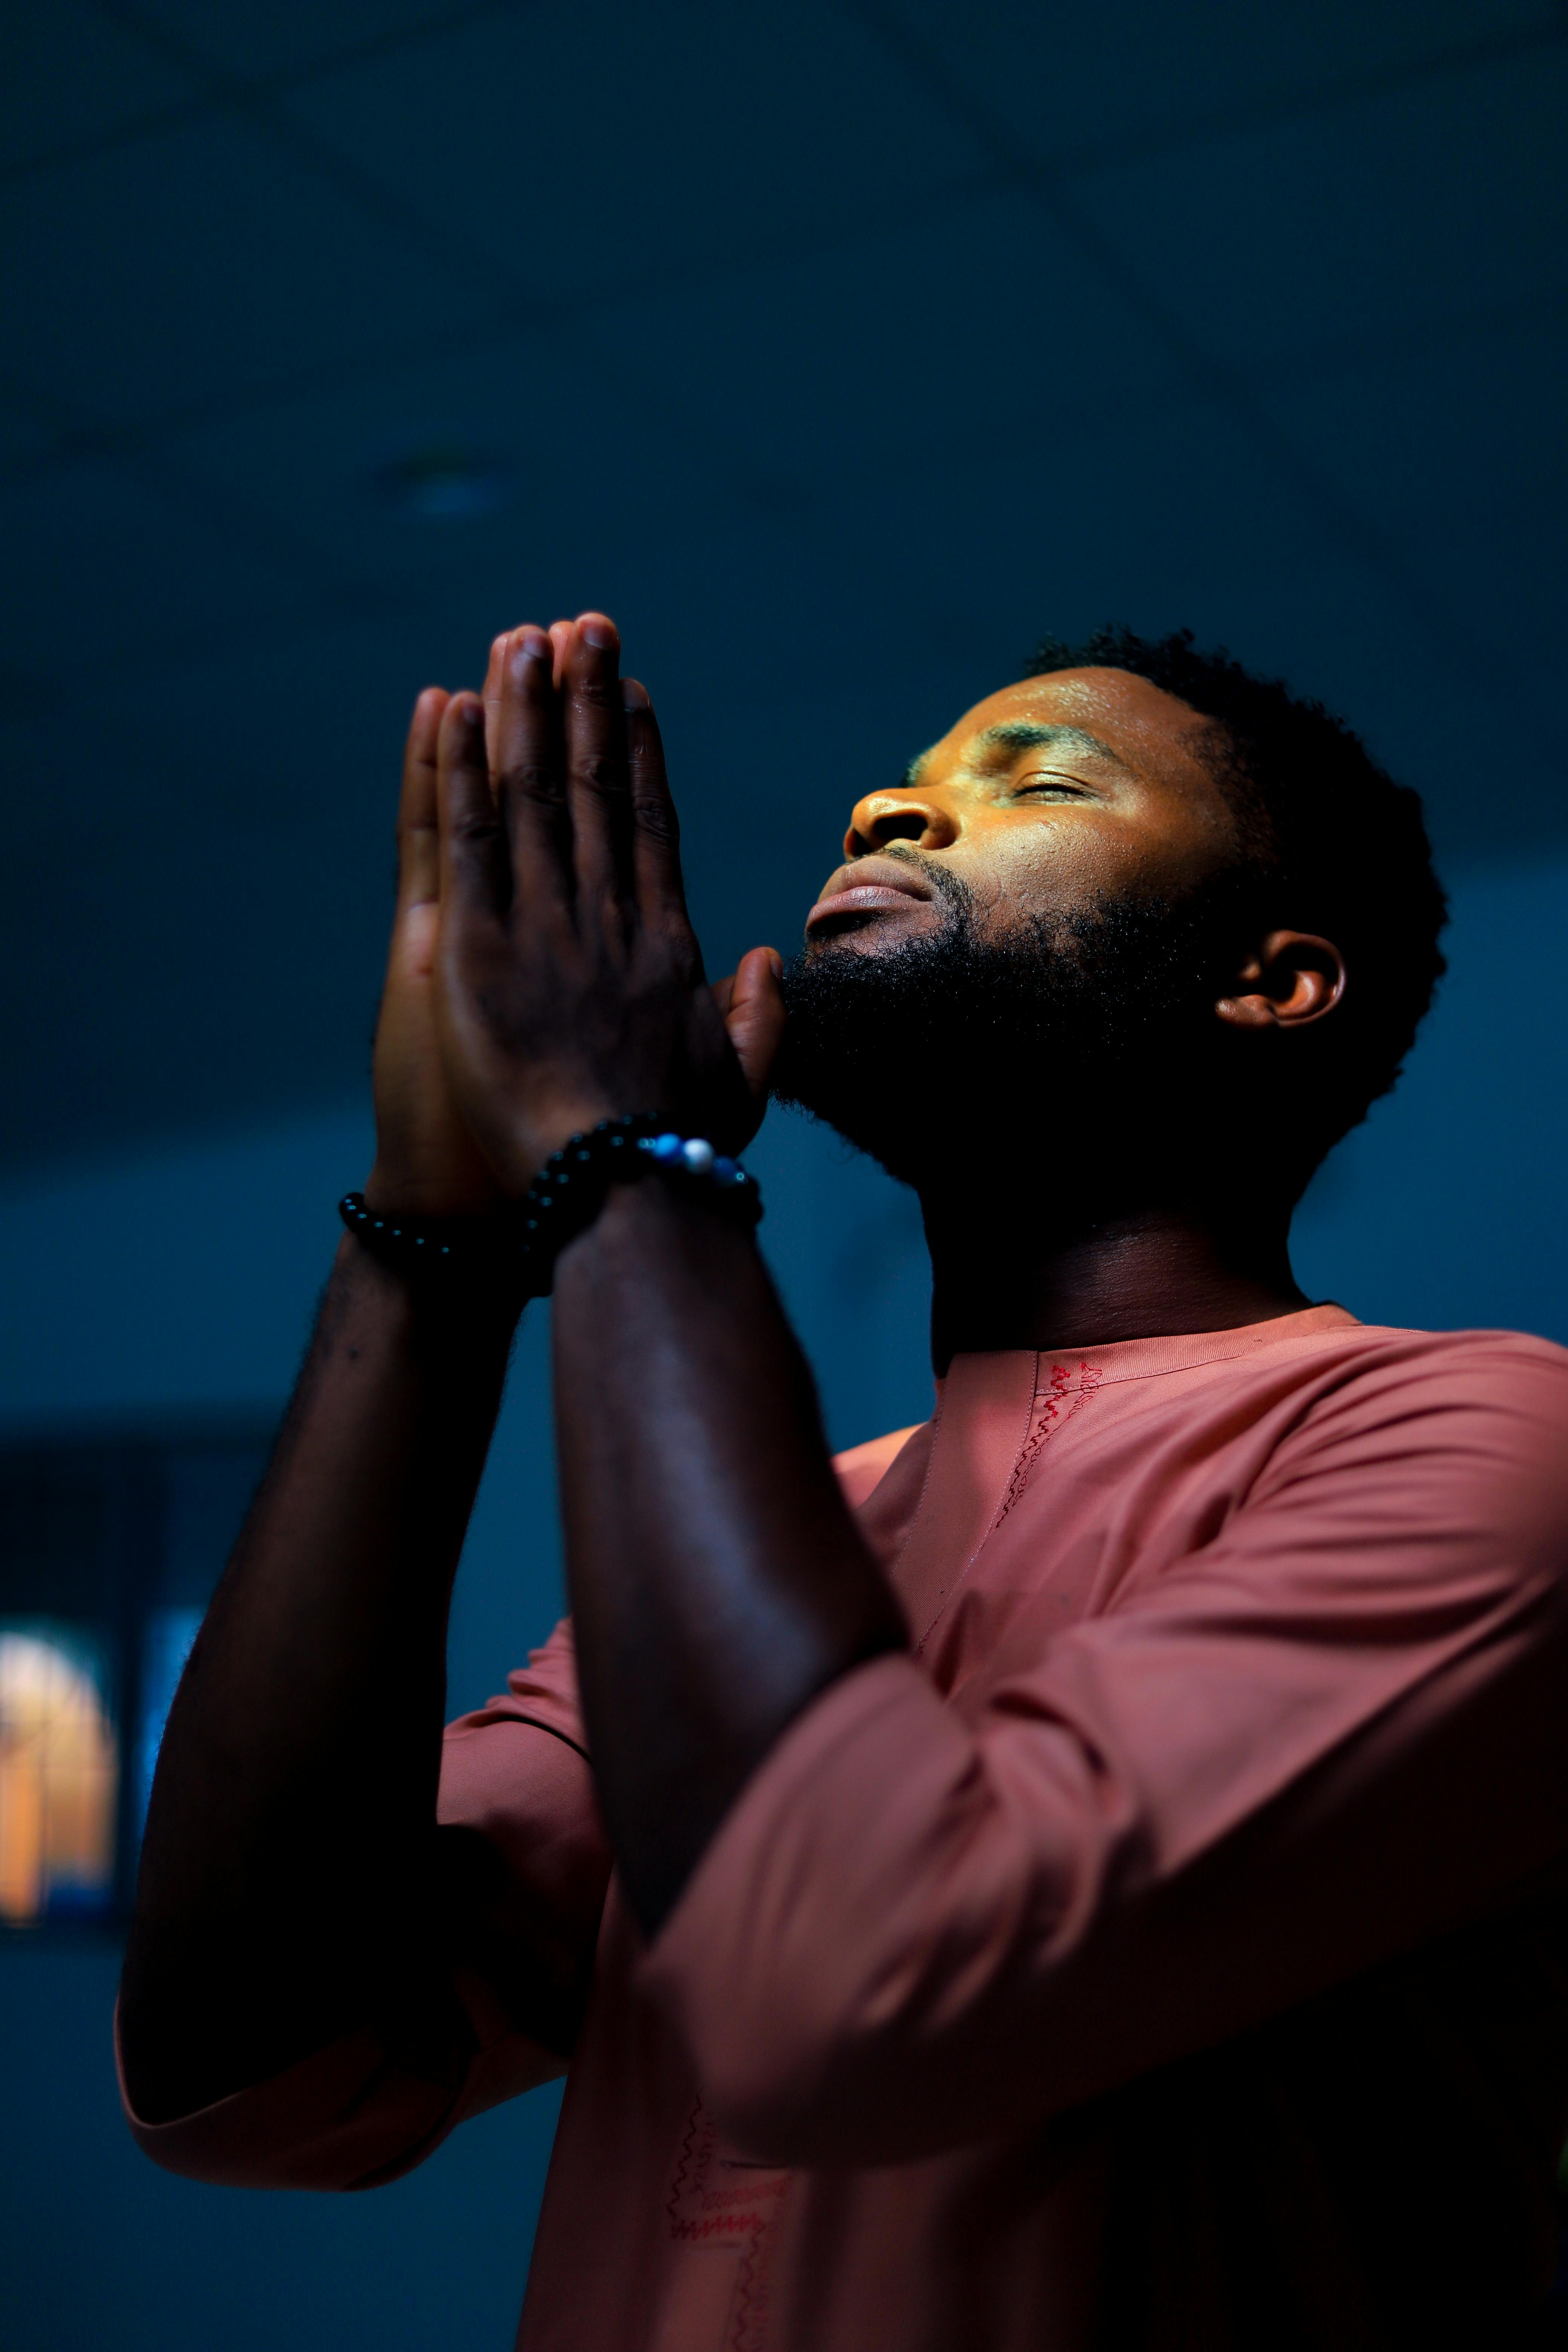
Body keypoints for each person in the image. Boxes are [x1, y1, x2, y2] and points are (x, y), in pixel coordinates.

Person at [118, 613, 1568, 2350]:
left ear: (1266, 980)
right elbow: (254, 2070)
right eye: (904, 780)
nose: (890, 807)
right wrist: (430, 1237)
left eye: (1035, 780)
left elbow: (863, 1985)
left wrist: (621, 1166)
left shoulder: (1489, 1446)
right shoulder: (791, 1534)